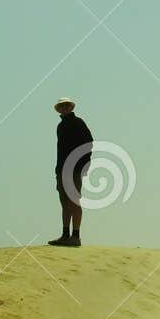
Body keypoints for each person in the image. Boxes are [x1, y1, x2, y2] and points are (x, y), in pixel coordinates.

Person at [49, 97, 93, 247]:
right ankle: (65, 235)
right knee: (64, 202)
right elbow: (60, 150)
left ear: (71, 107)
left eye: (66, 105)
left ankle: (75, 235)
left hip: (74, 168)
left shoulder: (78, 122)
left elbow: (88, 143)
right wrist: (58, 169)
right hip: (62, 168)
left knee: (74, 200)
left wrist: (83, 164)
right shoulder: (60, 126)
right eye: (62, 106)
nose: (64, 108)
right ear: (59, 109)